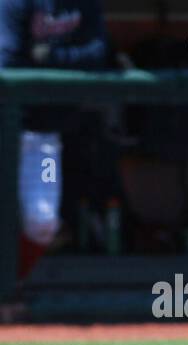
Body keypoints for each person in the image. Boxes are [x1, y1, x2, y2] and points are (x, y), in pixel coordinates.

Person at [0, 0, 110, 282]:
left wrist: (47, 55)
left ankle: (9, 287)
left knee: (43, 222)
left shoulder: (88, 5)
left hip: (44, 141)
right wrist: (65, 59)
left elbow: (98, 55)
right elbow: (7, 59)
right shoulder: (15, 3)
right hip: (6, 130)